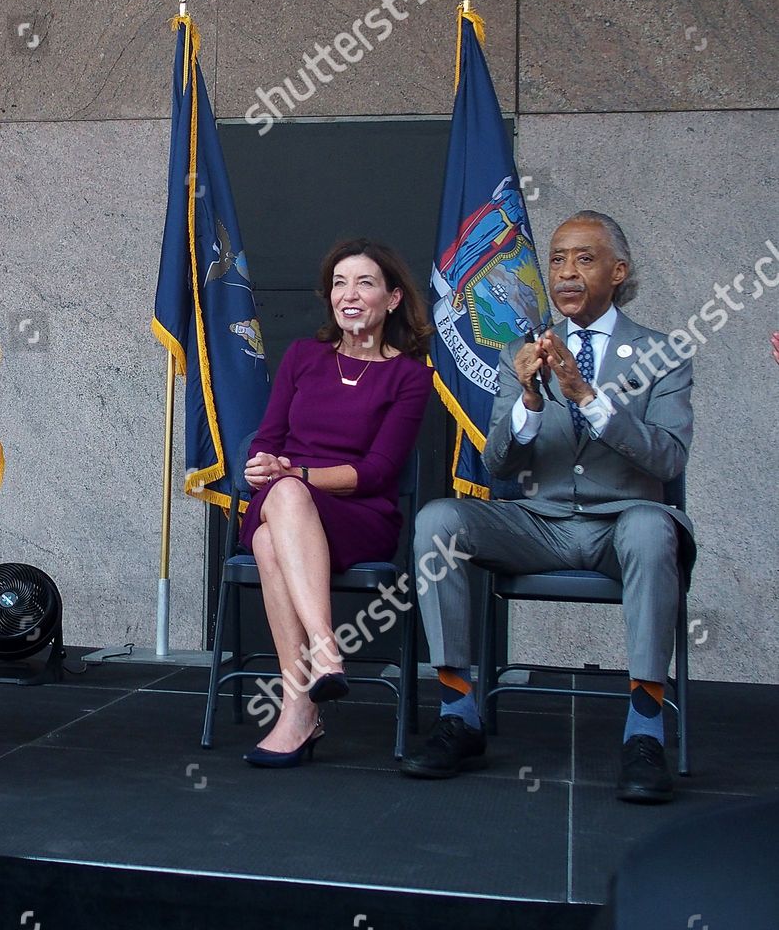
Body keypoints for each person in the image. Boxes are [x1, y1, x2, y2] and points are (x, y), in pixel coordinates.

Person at [402, 211, 694, 804]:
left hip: (622, 527)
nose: (566, 271)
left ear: (619, 271)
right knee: (439, 519)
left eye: (585, 259)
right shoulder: (522, 351)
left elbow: (667, 460)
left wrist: (589, 398)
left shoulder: (663, 353)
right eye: (558, 258)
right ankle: (459, 713)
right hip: (539, 524)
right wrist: (530, 400)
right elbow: (498, 466)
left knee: (648, 527)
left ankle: (644, 731)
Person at [239, 238, 433, 768]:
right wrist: (261, 464)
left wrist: (293, 474)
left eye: (365, 283)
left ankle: (299, 704)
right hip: (285, 502)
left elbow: (377, 473)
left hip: (360, 515)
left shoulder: (410, 377)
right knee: (276, 507)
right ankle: (325, 651)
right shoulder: (304, 357)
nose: (349, 294)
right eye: (339, 283)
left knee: (267, 534)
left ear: (392, 299)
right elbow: (268, 437)